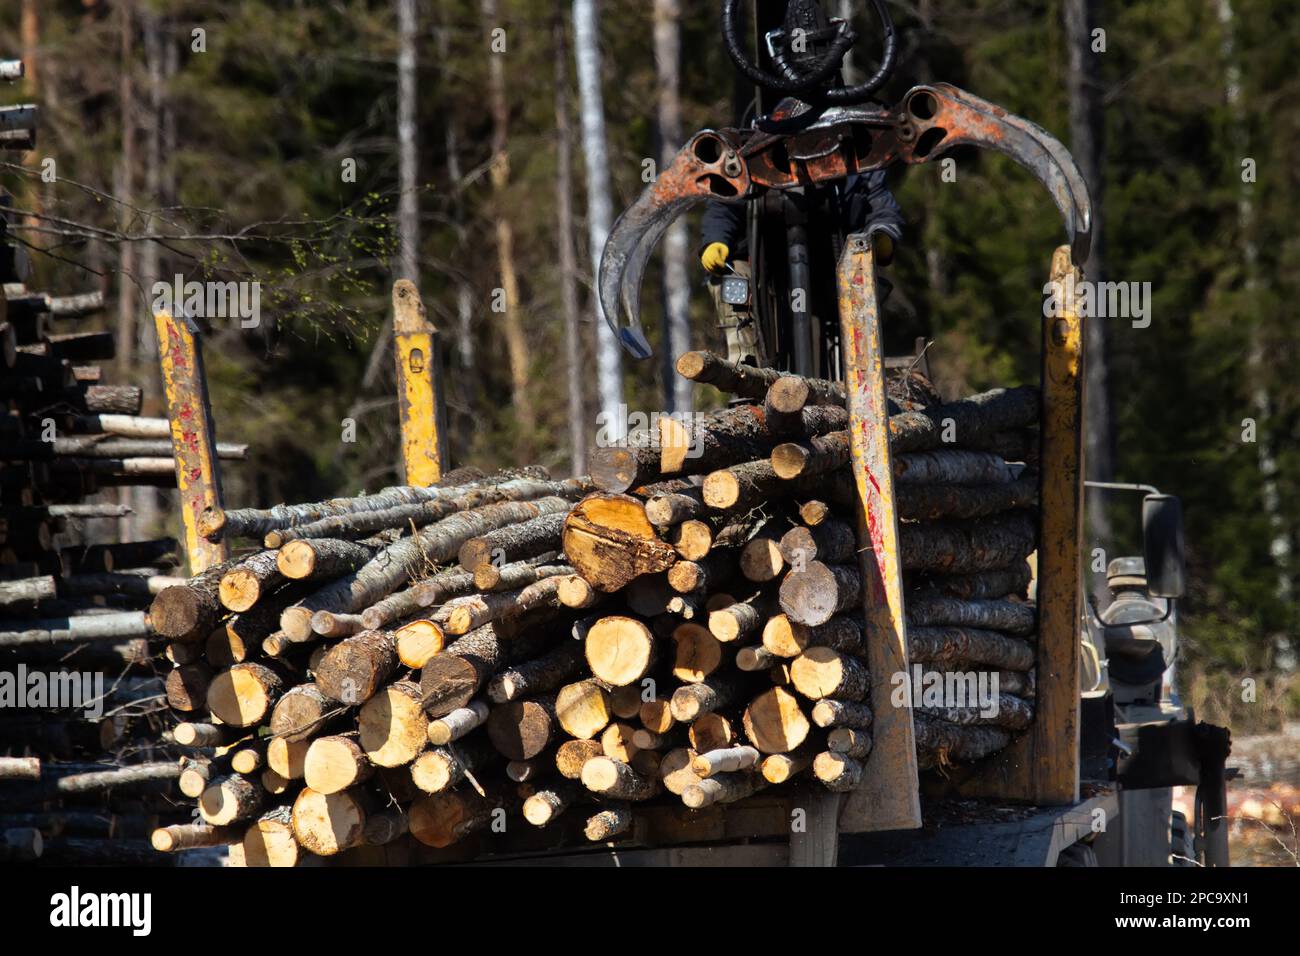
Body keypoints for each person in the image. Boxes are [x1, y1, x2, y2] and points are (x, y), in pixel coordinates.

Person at [698, 169, 903, 363]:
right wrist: (716, 240)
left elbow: (879, 203)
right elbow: (724, 204)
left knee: (861, 274)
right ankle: (746, 373)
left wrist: (882, 234)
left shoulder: (853, 152)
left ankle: (860, 371)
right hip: (765, 266)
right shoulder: (750, 145)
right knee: (732, 277)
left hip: (831, 266)